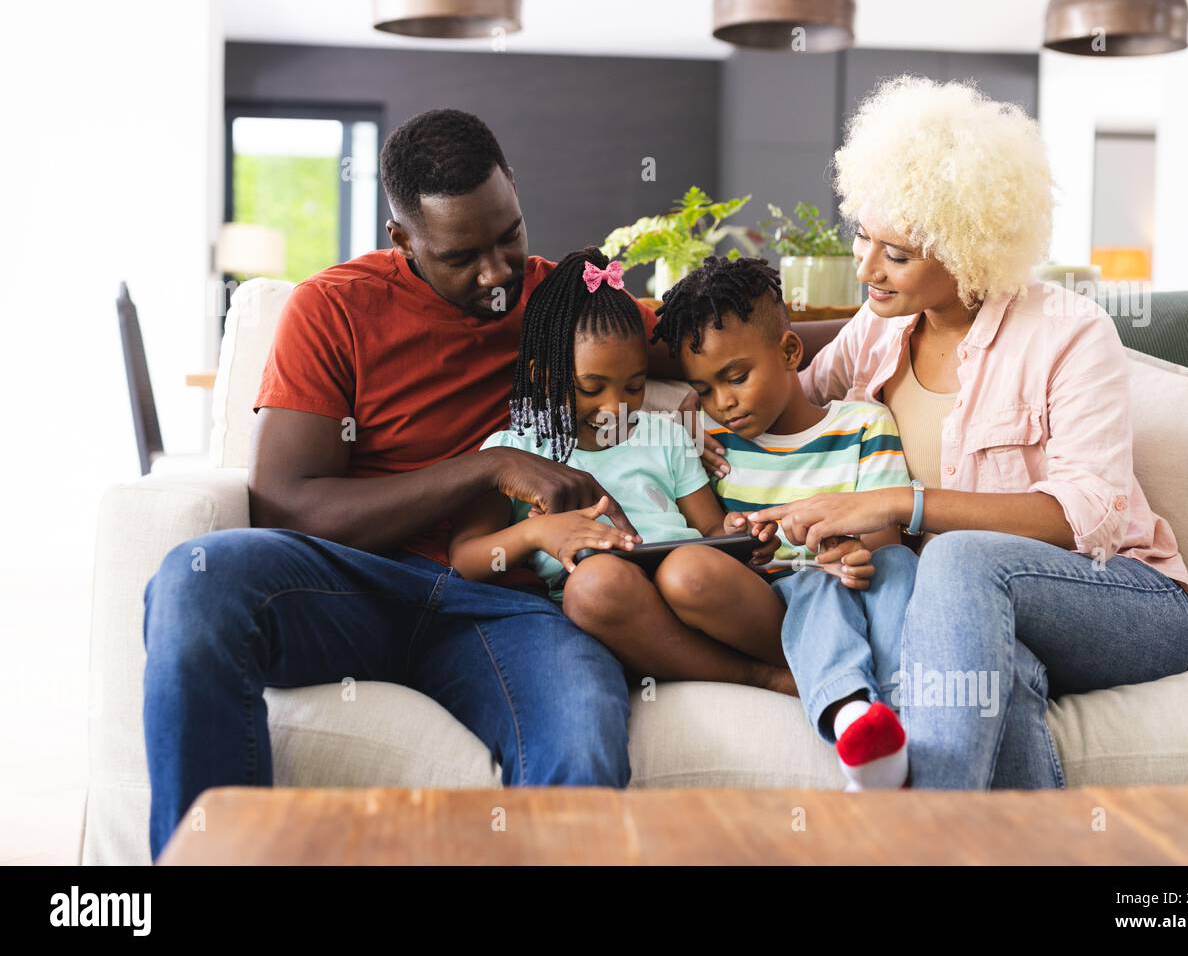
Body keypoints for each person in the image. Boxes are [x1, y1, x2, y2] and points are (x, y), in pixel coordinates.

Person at [141, 109, 670, 861]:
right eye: (463, 255)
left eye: (509, 235)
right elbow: (286, 502)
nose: (497, 273)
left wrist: (883, 329)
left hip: (503, 603)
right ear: (403, 239)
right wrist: (487, 467)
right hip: (351, 589)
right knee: (194, 585)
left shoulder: (565, 306)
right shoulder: (333, 307)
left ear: (514, 189)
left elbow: (721, 334)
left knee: (581, 731)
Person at [742, 76, 1188, 790]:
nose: (865, 268)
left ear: (966, 247)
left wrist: (900, 504)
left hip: (1128, 600)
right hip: (967, 614)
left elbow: (1089, 511)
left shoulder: (1069, 332)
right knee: (993, 665)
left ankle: (920, 835)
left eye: (896, 253)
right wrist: (692, 429)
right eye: (863, 236)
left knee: (953, 561)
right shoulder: (876, 330)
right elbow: (789, 406)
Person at [449, 247, 798, 695]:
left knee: (689, 569)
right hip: (620, 612)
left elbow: (709, 526)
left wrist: (736, 533)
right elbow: (466, 560)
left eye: (634, 386)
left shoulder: (666, 436)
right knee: (593, 585)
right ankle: (759, 677)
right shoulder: (514, 452)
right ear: (543, 374)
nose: (615, 406)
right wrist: (538, 534)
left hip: (695, 587)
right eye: (591, 388)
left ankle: (813, 661)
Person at [655, 255, 917, 789]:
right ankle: (854, 717)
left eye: (736, 377)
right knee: (808, 587)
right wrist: (737, 539)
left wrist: (846, 545)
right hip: (776, 604)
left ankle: (893, 710)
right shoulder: (710, 443)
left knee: (896, 567)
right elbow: (717, 539)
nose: (722, 403)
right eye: (704, 390)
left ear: (790, 352)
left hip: (858, 589)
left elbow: (884, 541)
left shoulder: (864, 423)